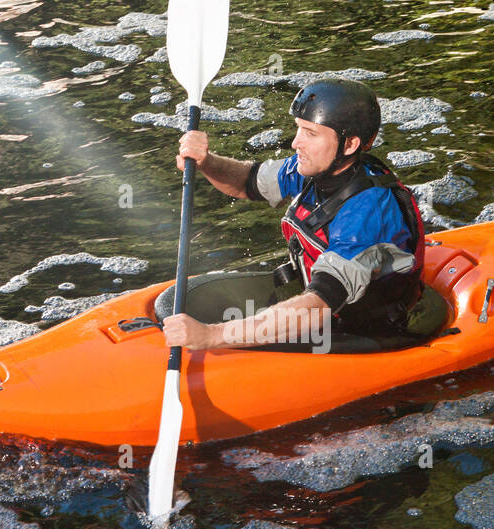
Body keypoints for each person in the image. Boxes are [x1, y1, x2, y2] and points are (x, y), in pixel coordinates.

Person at [161, 78, 426, 352]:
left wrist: (211, 335)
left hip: (368, 333)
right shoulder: (316, 169)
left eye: (310, 133)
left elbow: (317, 307)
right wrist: (207, 161)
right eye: (298, 129)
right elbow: (247, 182)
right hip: (328, 311)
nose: (295, 143)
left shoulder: (367, 213)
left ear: (349, 145)